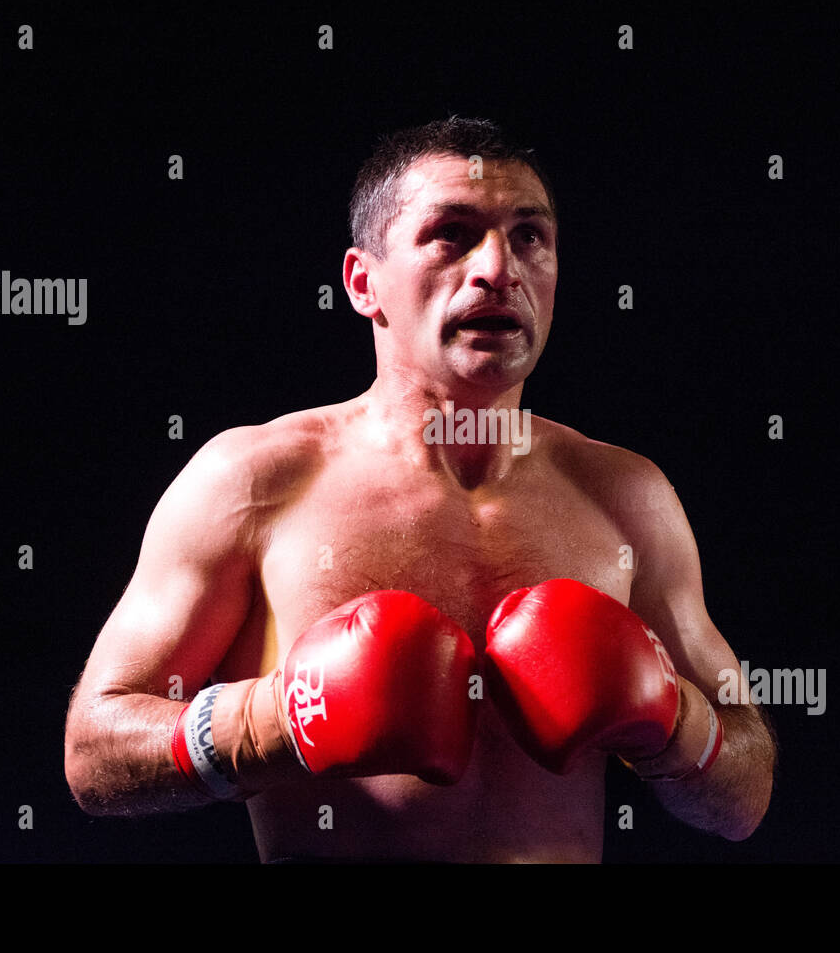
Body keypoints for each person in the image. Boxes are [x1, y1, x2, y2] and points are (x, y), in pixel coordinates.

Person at [63, 116, 777, 862]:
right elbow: (94, 754)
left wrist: (675, 722)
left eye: (529, 236)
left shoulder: (627, 495)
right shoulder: (254, 482)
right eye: (452, 234)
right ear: (363, 283)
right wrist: (279, 720)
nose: (497, 267)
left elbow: (744, 796)